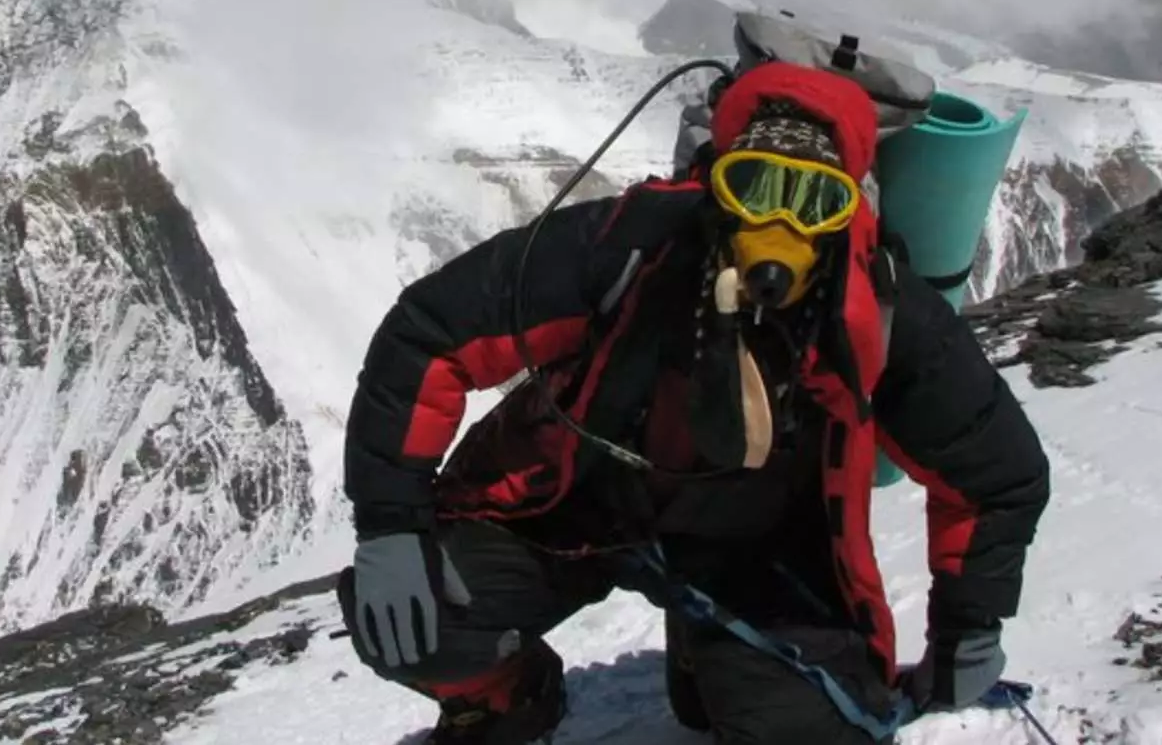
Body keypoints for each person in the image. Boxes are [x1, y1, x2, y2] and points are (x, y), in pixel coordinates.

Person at [336, 59, 1051, 745]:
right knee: (413, 617)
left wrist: (969, 630)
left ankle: (708, 652)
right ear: (715, 185)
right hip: (576, 508)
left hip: (757, 557)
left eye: (815, 199)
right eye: (753, 187)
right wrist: (391, 527)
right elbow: (430, 334)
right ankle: (510, 697)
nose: (782, 225)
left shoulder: (880, 308)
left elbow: (997, 473)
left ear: (848, 209)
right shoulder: (630, 247)